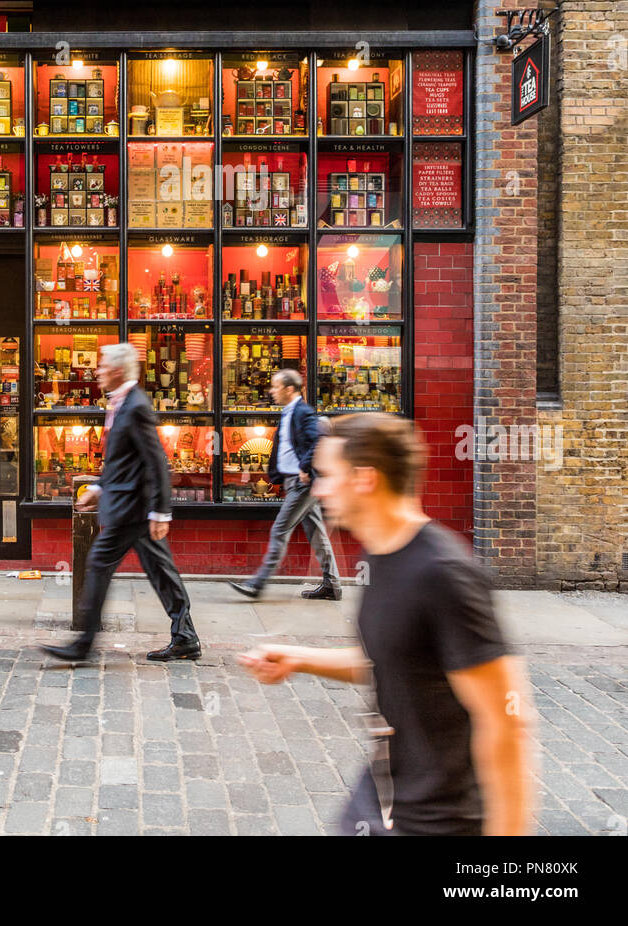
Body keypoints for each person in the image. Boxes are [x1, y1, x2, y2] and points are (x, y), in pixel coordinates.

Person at [239, 413, 533, 836]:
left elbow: (507, 720)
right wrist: (297, 658)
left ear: (364, 479)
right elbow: (394, 658)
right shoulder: (379, 556)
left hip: (437, 820)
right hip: (380, 802)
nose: (317, 487)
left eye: (326, 475)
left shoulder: (444, 574)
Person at [40, 343, 201, 664]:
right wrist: (99, 487)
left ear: (115, 370)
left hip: (133, 510)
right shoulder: (122, 403)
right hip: (131, 507)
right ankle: (185, 638)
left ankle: (83, 644)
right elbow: (123, 461)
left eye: (101, 366)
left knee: (99, 565)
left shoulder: (136, 405)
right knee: (161, 572)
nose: (97, 371)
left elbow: (156, 461)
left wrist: (160, 512)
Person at [229, 369, 342, 601]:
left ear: (289, 389)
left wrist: (304, 466)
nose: (271, 391)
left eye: (275, 387)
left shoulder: (302, 411)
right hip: (294, 481)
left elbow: (318, 439)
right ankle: (332, 585)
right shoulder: (288, 411)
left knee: (280, 529)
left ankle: (257, 584)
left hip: (303, 483)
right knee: (317, 534)